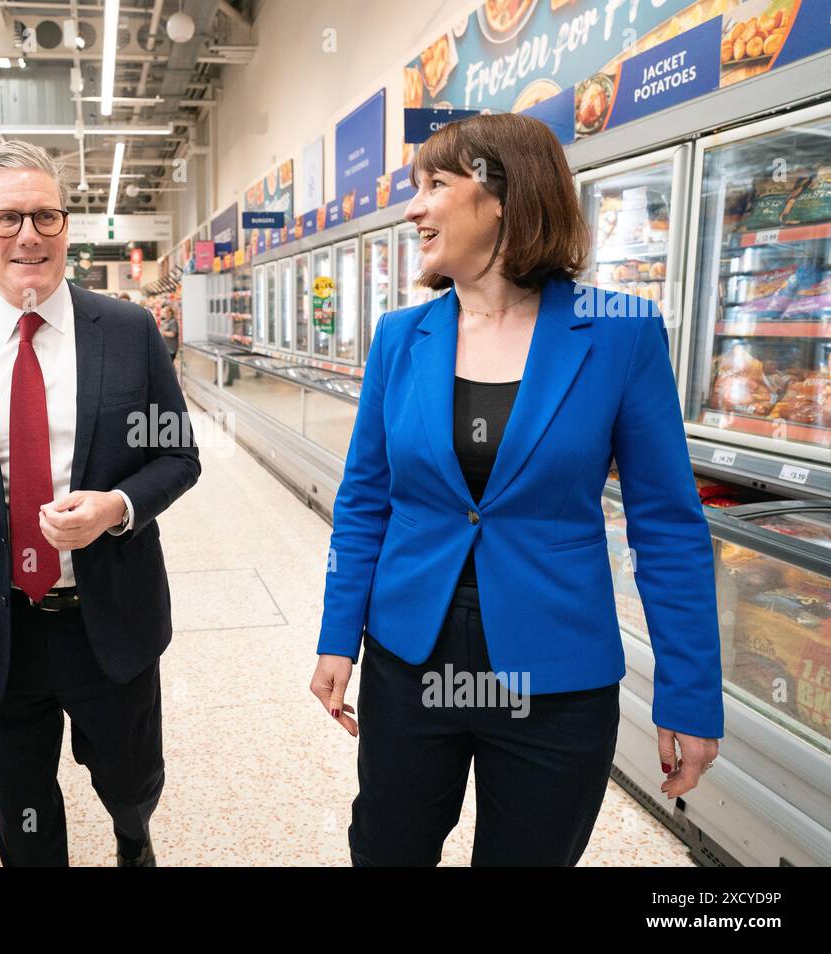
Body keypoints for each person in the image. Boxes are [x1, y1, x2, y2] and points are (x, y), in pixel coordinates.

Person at [310, 113, 723, 866]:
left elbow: (667, 526)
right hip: (411, 659)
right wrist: (339, 635)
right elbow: (364, 500)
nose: (414, 207)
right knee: (385, 850)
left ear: (501, 195)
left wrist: (690, 693)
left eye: (436, 184)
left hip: (556, 677)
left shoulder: (619, 332)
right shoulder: (402, 337)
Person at [0, 141, 200, 866]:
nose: (28, 235)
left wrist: (116, 508)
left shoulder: (128, 333)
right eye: (6, 218)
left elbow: (178, 455)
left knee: (129, 779)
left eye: (45, 215)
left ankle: (134, 836)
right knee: (25, 805)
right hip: (4, 629)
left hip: (112, 619)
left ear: (67, 227)